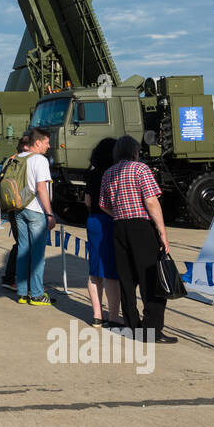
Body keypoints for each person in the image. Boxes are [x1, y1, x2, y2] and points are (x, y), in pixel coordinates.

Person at [100, 135, 175, 344]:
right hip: (141, 227)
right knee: (151, 279)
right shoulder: (140, 169)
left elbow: (103, 204)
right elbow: (151, 202)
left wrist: (120, 212)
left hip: (119, 226)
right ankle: (152, 330)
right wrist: (162, 232)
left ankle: (132, 325)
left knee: (127, 278)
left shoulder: (109, 172)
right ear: (135, 151)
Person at [9, 129, 56, 306]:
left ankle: (22, 292)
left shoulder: (19, 157)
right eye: (46, 142)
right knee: (37, 255)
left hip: (19, 208)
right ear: (38, 143)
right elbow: (42, 189)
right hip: (36, 210)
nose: (48, 146)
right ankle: (36, 294)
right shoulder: (40, 160)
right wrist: (49, 213)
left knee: (23, 250)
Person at [85, 138, 123, 328]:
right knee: (110, 272)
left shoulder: (91, 173)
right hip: (109, 220)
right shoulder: (113, 173)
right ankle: (114, 315)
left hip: (93, 221)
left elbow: (87, 201)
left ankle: (97, 315)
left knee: (94, 271)